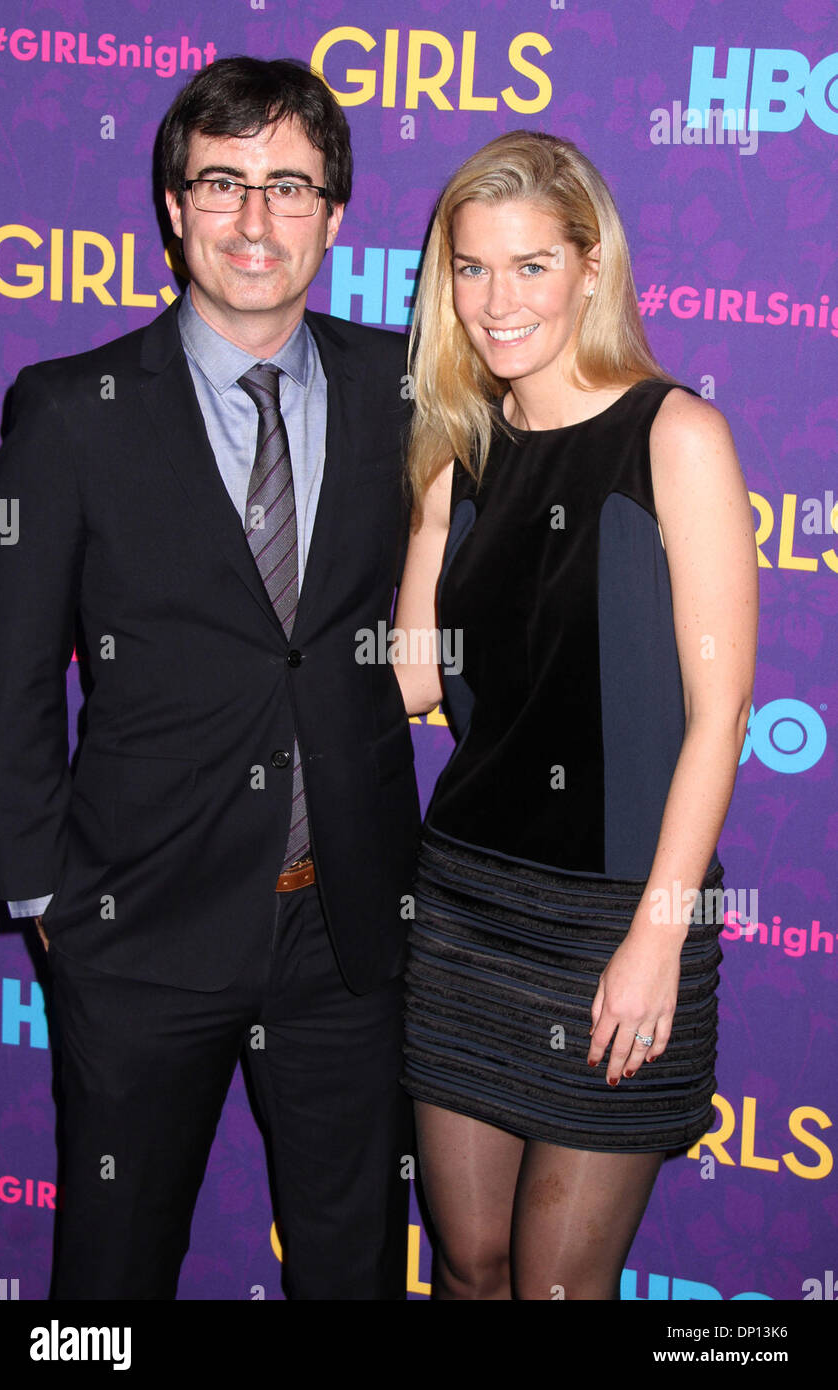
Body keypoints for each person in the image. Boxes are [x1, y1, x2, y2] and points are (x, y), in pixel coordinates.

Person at [0, 56, 420, 1300]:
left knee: (353, 1271)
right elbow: (4, 675)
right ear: (174, 205)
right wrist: (41, 894)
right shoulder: (71, 413)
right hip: (136, 926)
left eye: (289, 187)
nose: (254, 220)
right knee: (109, 1279)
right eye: (222, 182)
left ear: (335, 215)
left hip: (345, 927)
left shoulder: (404, 390)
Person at [393, 131, 758, 1301]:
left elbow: (720, 713)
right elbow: (410, 678)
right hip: (465, 910)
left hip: (618, 918)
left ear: (592, 267)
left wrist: (656, 938)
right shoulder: (463, 444)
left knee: (554, 1283)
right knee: (471, 1261)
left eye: (532, 266)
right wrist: (427, 489)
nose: (498, 301)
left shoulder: (676, 438)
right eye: (472, 268)